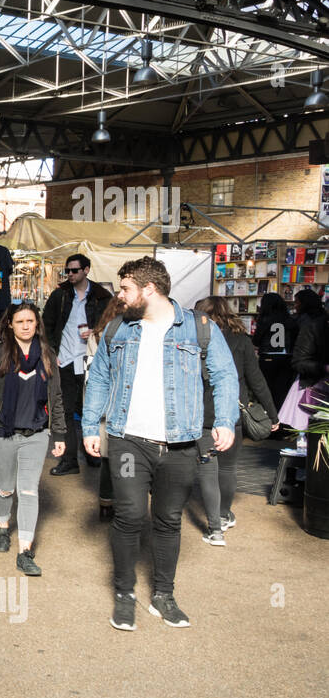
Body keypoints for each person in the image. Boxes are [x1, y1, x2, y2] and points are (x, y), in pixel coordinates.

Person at [83, 257, 238, 631]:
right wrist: (90, 425)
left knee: (168, 520)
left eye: (125, 288)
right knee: (130, 514)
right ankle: (124, 593)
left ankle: (163, 595)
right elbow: (100, 377)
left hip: (181, 444)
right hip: (127, 441)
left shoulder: (199, 329)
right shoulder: (118, 329)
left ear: (148, 290)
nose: (119, 296)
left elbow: (224, 375)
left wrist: (225, 421)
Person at [0, 302, 66, 577]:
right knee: (5, 488)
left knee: (28, 490)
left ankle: (24, 551)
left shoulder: (47, 355)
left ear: (37, 324)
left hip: (36, 434)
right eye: (20, 322)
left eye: (30, 321)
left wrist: (60, 433)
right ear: (10, 325)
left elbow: (57, 397)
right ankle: (3, 527)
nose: (26, 326)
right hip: (3, 433)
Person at [193, 297, 280, 545]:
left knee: (208, 470)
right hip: (232, 412)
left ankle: (215, 530)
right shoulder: (242, 340)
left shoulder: (196, 339)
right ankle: (223, 515)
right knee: (229, 468)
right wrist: (273, 415)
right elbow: (257, 381)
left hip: (203, 414)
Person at [42, 253, 112, 476]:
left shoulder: (102, 297)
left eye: (74, 270)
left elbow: (111, 325)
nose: (70, 275)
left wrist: (96, 332)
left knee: (90, 410)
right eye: (67, 271)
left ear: (86, 270)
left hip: (91, 361)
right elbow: (47, 325)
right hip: (66, 361)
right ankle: (69, 460)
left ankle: (92, 453)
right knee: (66, 412)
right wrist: (53, 354)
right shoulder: (60, 295)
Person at [84, 297, 126, 521]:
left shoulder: (96, 335)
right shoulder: (133, 333)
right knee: (128, 455)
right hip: (125, 404)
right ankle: (127, 501)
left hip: (104, 405)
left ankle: (106, 504)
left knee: (109, 459)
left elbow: (91, 374)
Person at [281, 287, 329, 430]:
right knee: (312, 436)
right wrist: (323, 367)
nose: (295, 306)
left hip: (316, 384)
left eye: (297, 303)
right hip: (315, 387)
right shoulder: (312, 325)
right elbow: (299, 360)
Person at [253, 292, 296, 410]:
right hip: (286, 357)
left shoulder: (264, 320)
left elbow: (256, 340)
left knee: (267, 390)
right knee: (282, 391)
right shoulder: (290, 320)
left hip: (268, 357)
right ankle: (281, 418)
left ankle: (270, 417)